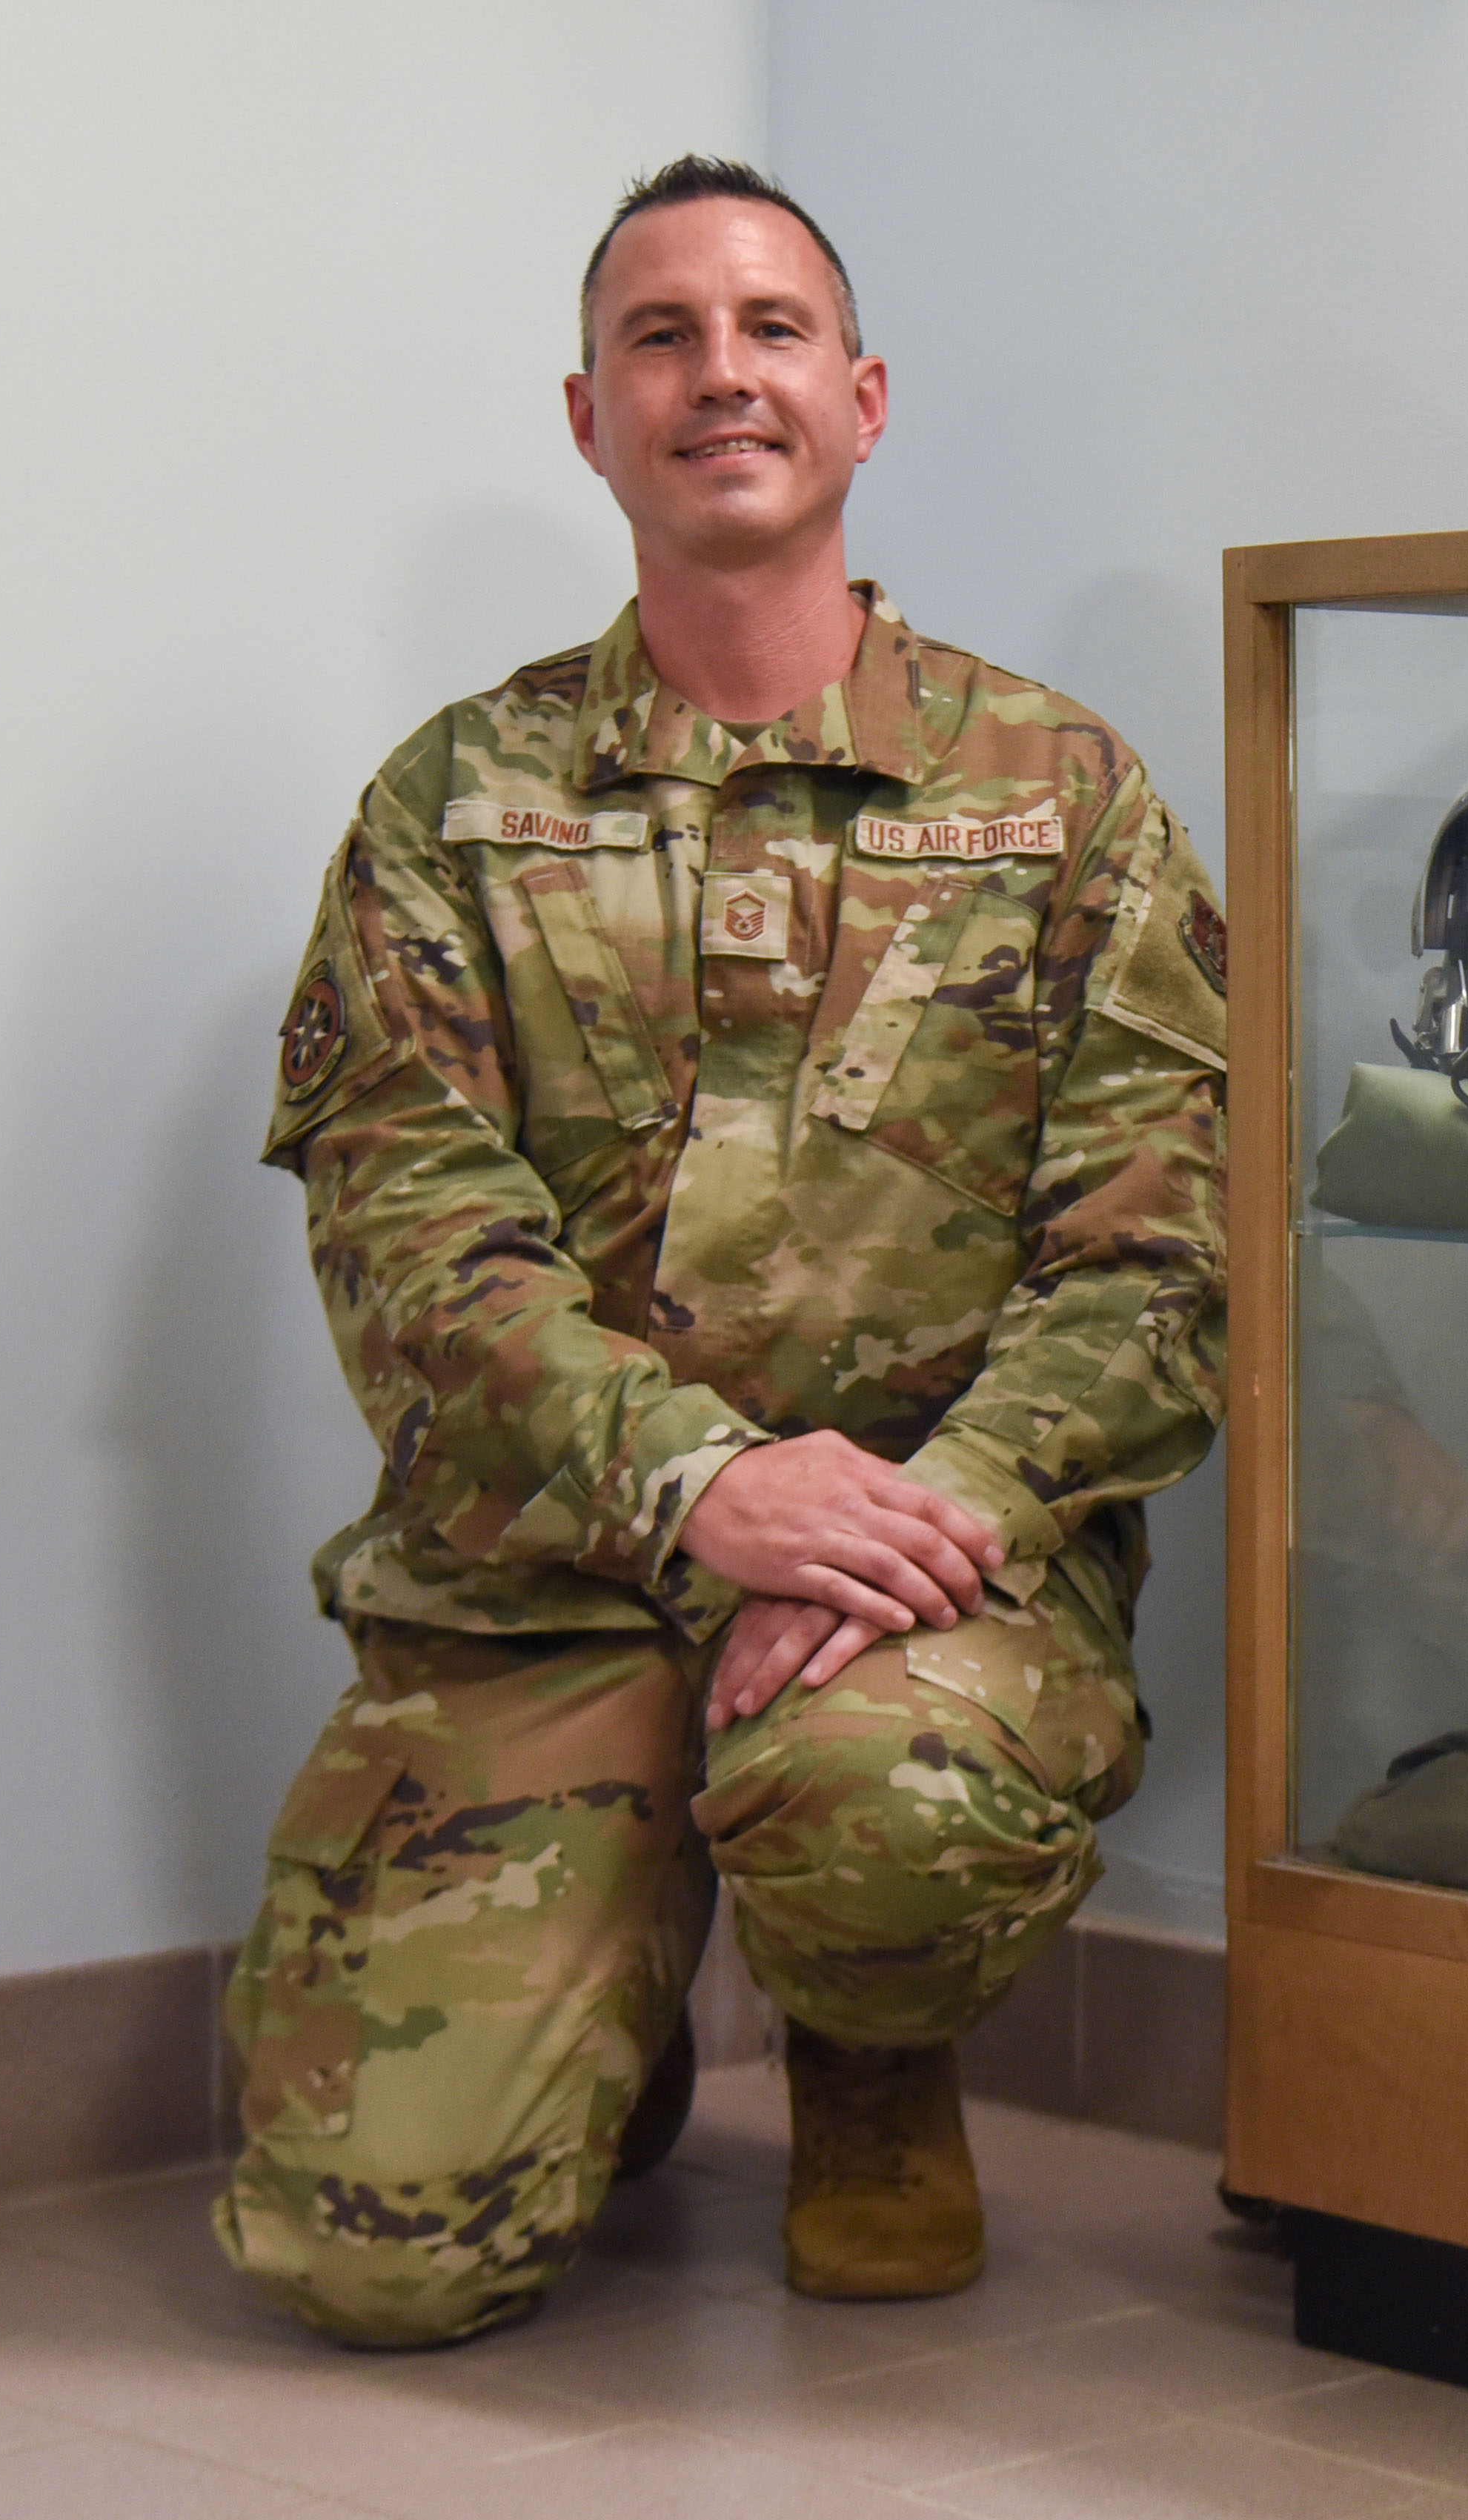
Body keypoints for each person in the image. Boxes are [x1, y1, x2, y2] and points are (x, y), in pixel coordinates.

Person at [218, 156, 1229, 2346]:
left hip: (923, 1572)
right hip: (556, 1568)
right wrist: (699, 1483)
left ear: (862, 397)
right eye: (660, 336)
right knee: (362, 2252)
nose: (720, 374)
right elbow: (416, 1243)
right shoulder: (454, 804)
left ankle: (875, 2053)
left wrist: (928, 1514)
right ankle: (610, 1998)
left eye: (770, 328)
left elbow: (1162, 1260)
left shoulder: (1064, 794)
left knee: (881, 1801)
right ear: (588, 418)